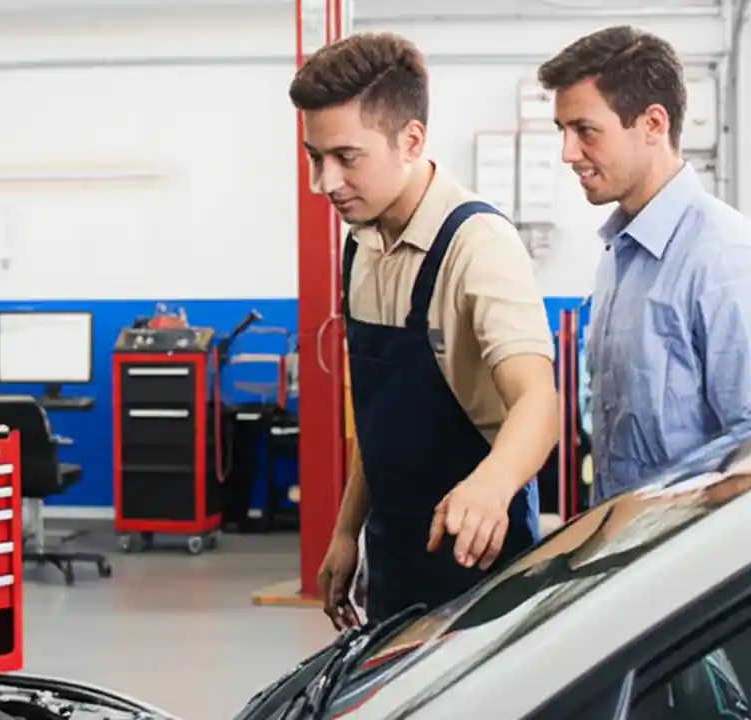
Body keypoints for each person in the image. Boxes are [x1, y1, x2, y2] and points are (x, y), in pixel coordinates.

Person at [289, 32, 560, 628]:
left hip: (480, 556)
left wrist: (490, 487)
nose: (323, 181)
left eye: (346, 157)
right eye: (315, 157)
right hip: (393, 555)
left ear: (411, 140)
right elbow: (381, 420)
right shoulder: (359, 247)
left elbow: (539, 402)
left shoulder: (478, 245)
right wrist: (345, 531)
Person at [538, 26, 751, 504]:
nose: (568, 153)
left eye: (585, 131)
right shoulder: (618, 256)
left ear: (653, 123)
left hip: (694, 570)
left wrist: (660, 519)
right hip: (632, 559)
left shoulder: (723, 261)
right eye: (563, 131)